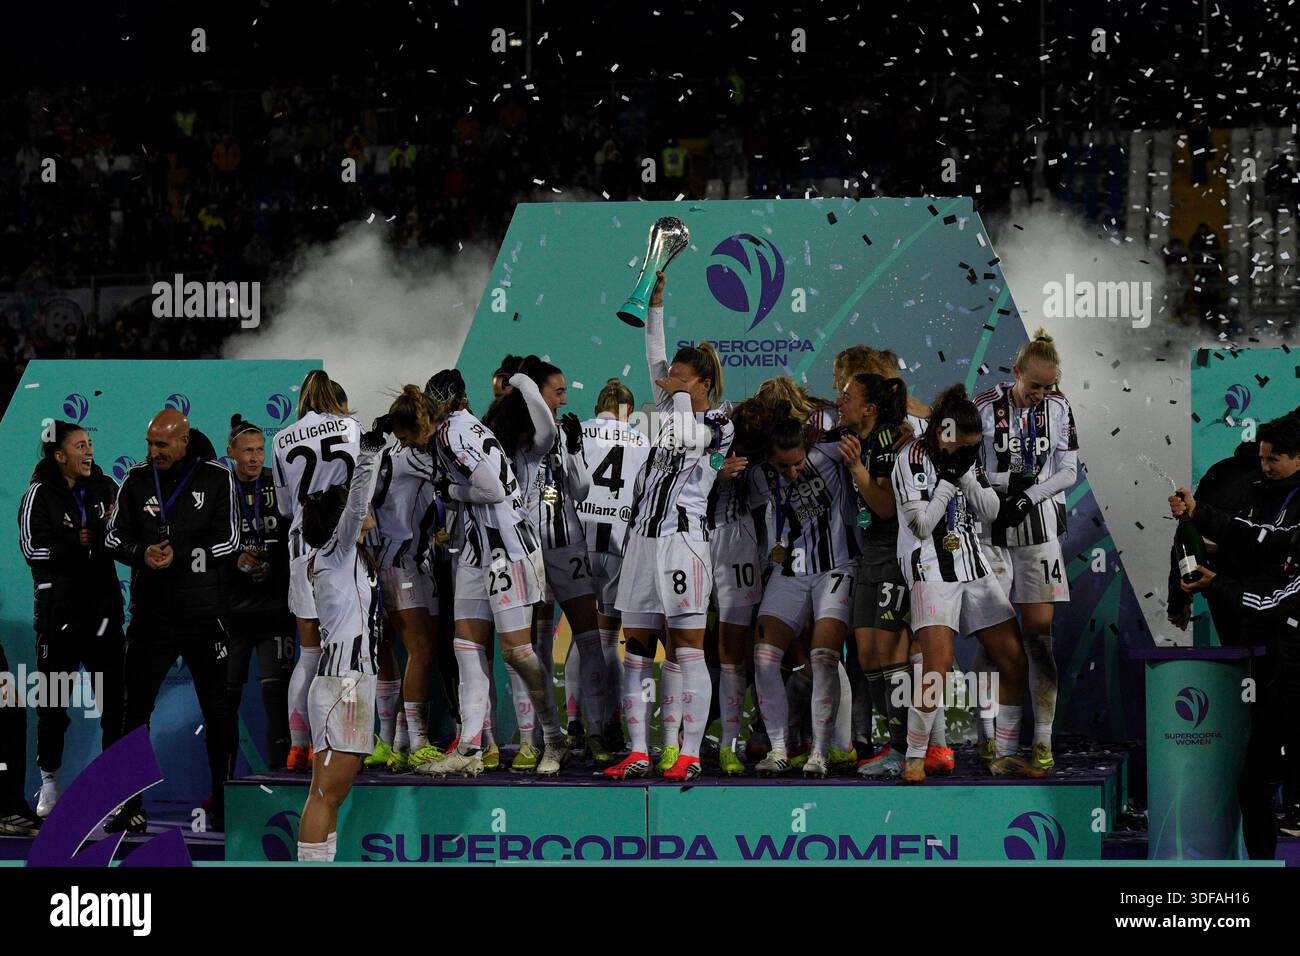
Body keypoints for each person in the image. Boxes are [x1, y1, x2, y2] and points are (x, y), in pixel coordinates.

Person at [605, 271, 732, 782]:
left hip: (684, 543)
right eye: (669, 377)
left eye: (680, 377)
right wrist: (656, 305)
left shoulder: (721, 421)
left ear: (701, 383)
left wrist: (677, 393)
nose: (665, 381)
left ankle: (689, 750)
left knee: (686, 647)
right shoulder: (669, 404)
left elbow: (683, 430)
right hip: (643, 539)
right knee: (635, 644)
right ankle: (638, 749)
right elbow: (654, 357)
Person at [891, 385, 1044, 783]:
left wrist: (969, 479)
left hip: (973, 565)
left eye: (974, 447)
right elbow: (921, 525)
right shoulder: (909, 459)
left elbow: (993, 512)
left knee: (1014, 659)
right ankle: (913, 758)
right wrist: (947, 482)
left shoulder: (964, 457)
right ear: (944, 433)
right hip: (929, 569)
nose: (968, 452)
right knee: (936, 668)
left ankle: (1006, 755)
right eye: (964, 445)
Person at [418, 369, 566, 776]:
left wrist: (449, 492)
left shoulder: (451, 432)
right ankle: (468, 749)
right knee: (466, 648)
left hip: (507, 548)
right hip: (476, 547)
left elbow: (493, 491)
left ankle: (553, 738)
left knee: (517, 654)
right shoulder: (466, 426)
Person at [104, 408, 241, 831]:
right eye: (149, 443)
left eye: (161, 444)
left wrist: (179, 555)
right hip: (151, 617)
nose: (153, 451)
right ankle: (128, 807)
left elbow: (230, 541)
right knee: (134, 713)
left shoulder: (218, 478)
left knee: (218, 713)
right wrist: (139, 554)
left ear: (183, 440)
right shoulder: (137, 478)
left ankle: (224, 803)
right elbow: (113, 536)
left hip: (204, 616)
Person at [487, 357, 610, 763]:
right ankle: (537, 738)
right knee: (532, 648)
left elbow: (579, 491)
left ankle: (594, 731)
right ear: (535, 394)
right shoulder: (517, 438)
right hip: (529, 551)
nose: (562, 399)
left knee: (589, 640)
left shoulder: (558, 434)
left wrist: (575, 452)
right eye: (557, 392)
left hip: (566, 546)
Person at [1171, 488, 1300, 860]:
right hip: (1288, 686)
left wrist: (1217, 585)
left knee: (1256, 782)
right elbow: (1260, 535)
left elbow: (1271, 604)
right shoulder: (1292, 530)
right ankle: (1261, 864)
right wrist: (1199, 513)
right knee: (1252, 783)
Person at [973, 331, 1079, 771]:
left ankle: (1042, 741)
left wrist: (1029, 495)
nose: (1041, 395)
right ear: (1016, 372)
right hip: (989, 530)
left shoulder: (1059, 409)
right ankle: (992, 739)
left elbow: (1069, 471)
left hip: (1039, 529)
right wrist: (1002, 489)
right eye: (1034, 385)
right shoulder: (982, 406)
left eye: (1049, 386)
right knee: (993, 640)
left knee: (1038, 637)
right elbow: (969, 465)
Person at [742, 399, 859, 777]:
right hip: (790, 569)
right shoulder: (759, 475)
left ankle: (820, 753)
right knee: (763, 656)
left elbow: (867, 433)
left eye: (797, 463)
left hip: (836, 566)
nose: (793, 472)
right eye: (784, 466)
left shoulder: (830, 452)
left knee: (824, 655)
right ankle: (778, 748)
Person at [17, 420, 125, 817]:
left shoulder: (105, 487)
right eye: (80, 446)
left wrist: (98, 536)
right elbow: (33, 550)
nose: (89, 451)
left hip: (103, 615)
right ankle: (49, 784)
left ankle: (116, 790)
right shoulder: (38, 495)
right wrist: (74, 544)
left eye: (90, 443)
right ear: (60, 456)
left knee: (116, 705)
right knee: (52, 707)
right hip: (59, 618)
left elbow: (119, 531)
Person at [297, 421, 385, 862]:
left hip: (350, 681)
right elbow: (356, 503)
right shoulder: (336, 552)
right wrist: (368, 452)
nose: (366, 508)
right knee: (325, 795)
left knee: (332, 794)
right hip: (343, 684)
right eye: (354, 507)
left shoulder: (347, 558)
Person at [365, 387, 459, 773]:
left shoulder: (384, 455)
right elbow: (455, 480)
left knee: (389, 653)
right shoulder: (416, 456)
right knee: (421, 651)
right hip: (403, 564)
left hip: (386, 563)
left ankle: (392, 741)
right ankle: (417, 742)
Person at [272, 370, 360, 772]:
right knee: (345, 651)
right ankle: (338, 742)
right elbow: (364, 485)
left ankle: (297, 745)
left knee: (309, 653)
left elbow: (286, 508)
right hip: (341, 546)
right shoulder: (350, 427)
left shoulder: (281, 438)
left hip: (299, 544)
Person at [579, 379, 652, 756]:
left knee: (583, 639)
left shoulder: (577, 435)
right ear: (628, 410)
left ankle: (582, 727)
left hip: (578, 545)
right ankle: (611, 725)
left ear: (599, 407)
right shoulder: (644, 442)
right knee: (609, 642)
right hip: (621, 546)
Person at [223, 415, 293, 773]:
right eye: (247, 451)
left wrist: (272, 562)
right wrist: (237, 558)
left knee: (275, 697)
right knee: (225, 701)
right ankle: (223, 788)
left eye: (260, 450)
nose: (255, 457)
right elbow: (206, 540)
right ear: (230, 451)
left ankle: (280, 779)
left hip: (273, 609)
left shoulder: (277, 484)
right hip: (231, 614)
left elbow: (293, 534)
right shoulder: (219, 488)